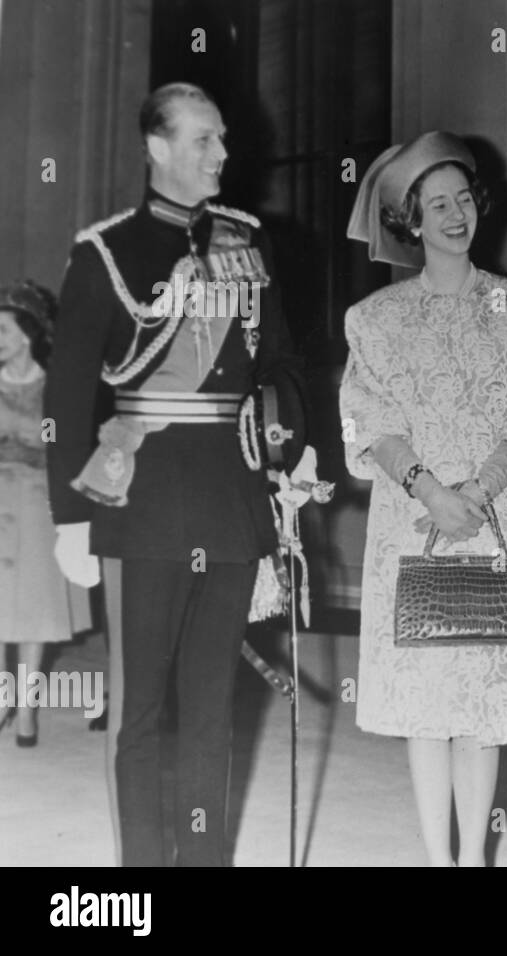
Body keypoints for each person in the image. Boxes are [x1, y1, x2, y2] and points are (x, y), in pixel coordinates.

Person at [44, 82, 298, 866]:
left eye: (221, 139)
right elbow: (69, 390)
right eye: (203, 141)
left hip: (229, 500)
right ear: (157, 148)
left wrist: (295, 445)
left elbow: (284, 363)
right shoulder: (105, 251)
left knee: (214, 710)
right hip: (140, 500)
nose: (222, 154)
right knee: (142, 713)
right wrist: (70, 516)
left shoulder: (246, 242)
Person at [340, 131, 507, 867]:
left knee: (482, 703)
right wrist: (429, 489)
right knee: (426, 701)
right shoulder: (375, 319)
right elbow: (369, 417)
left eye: (463, 199)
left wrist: (480, 488)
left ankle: (475, 856)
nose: (453, 214)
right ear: (409, 221)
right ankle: (438, 859)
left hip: (500, 522)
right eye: (435, 204)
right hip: (415, 525)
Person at [0, 281, 69, 747]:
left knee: (34, 612)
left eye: (2, 330)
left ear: (26, 333)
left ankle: (26, 712)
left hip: (35, 506)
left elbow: (56, 445)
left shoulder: (52, 387)